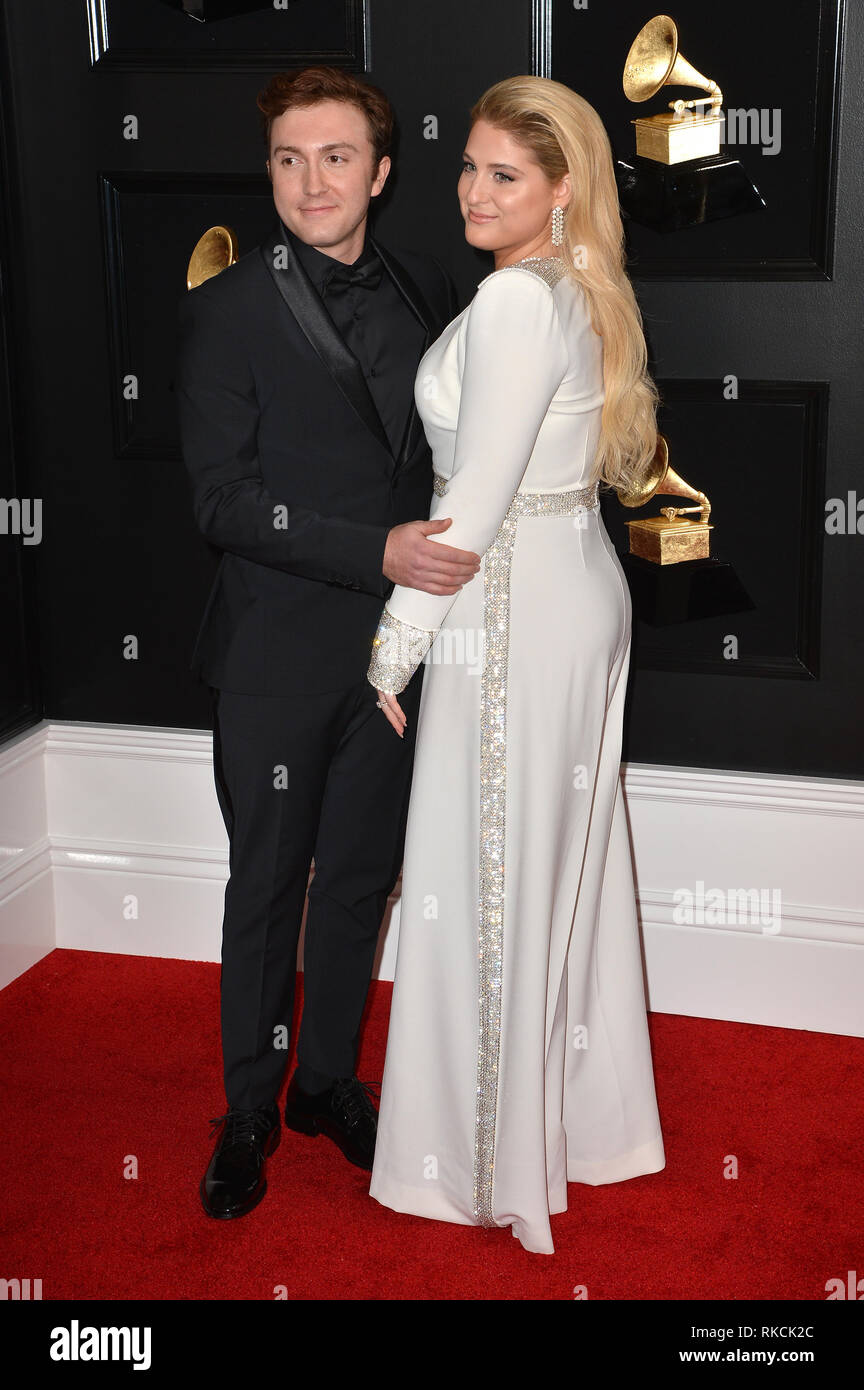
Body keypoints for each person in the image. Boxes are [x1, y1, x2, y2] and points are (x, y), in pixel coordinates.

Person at [366, 76, 667, 1255]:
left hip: (510, 607)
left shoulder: (512, 306)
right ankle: (581, 1130)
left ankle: (481, 1166)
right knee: (561, 876)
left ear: (561, 188)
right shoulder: (580, 285)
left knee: (486, 881)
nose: (475, 192)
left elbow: (470, 510)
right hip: (575, 587)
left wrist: (392, 653)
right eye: (471, 167)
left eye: (506, 174)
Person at [176, 65, 478, 1220]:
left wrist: (421, 606)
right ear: (271, 170)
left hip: (396, 654)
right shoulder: (227, 307)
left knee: (359, 878)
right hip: (274, 652)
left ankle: (327, 1082)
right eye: (291, 159)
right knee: (266, 886)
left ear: (382, 172)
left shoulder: (426, 287)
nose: (313, 180)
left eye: (337, 156)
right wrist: (379, 552)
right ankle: (250, 1104)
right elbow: (221, 503)